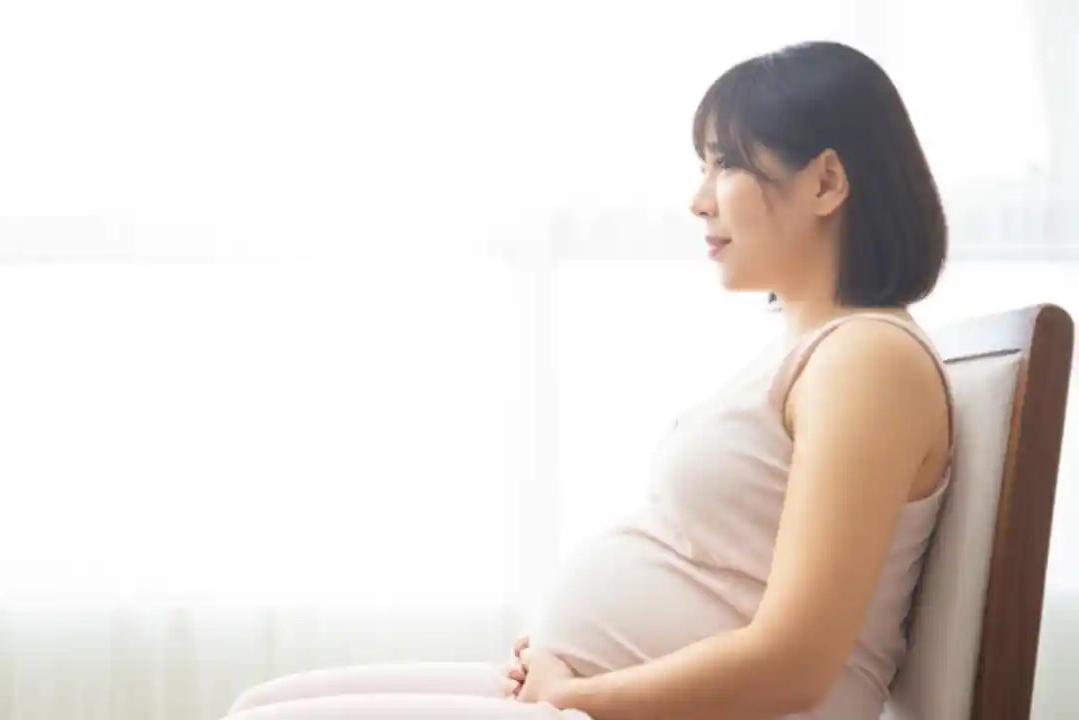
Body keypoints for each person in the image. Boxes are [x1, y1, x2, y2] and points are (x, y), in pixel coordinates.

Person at [223, 39, 952, 720]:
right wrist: (570, 661)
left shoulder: (868, 362)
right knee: (261, 704)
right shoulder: (815, 351)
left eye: (726, 164)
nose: (699, 199)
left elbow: (797, 662)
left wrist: (580, 695)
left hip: (627, 709)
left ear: (826, 182)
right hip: (590, 697)